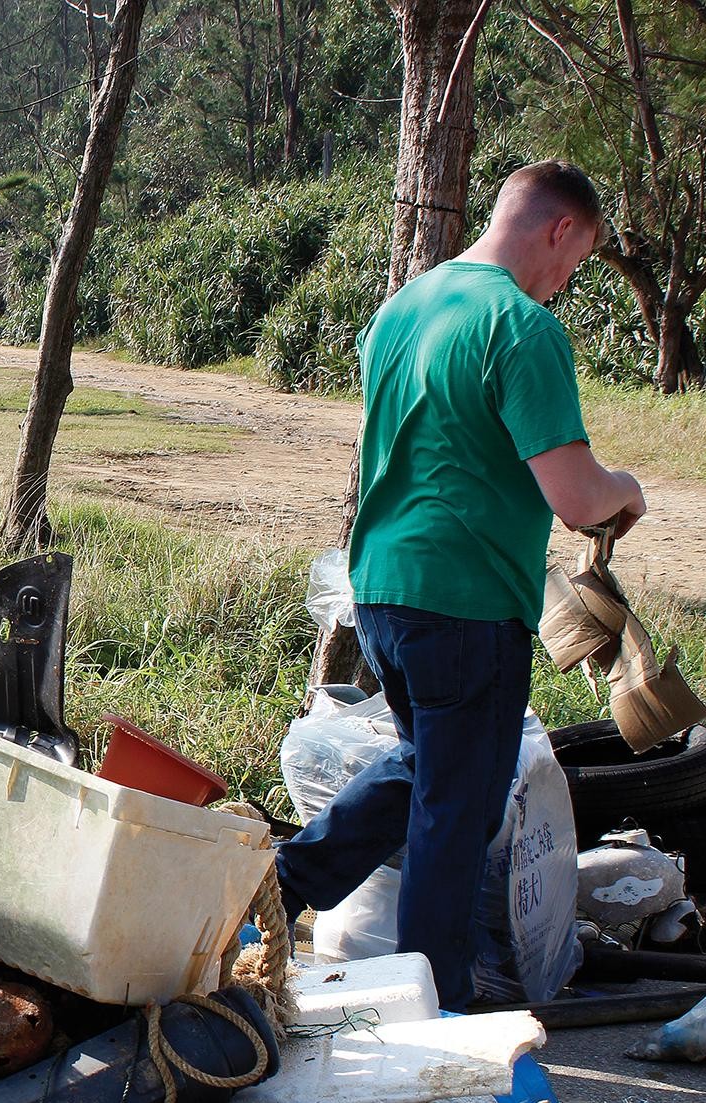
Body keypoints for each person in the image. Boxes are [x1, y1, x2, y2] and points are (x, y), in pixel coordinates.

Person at [276, 161, 646, 1011]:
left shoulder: (405, 307)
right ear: (558, 229)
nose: (565, 283)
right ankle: (433, 1002)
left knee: (428, 765)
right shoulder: (521, 326)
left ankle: (282, 880)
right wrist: (626, 491)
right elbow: (578, 495)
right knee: (461, 808)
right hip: (466, 600)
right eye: (576, 261)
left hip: (382, 590)